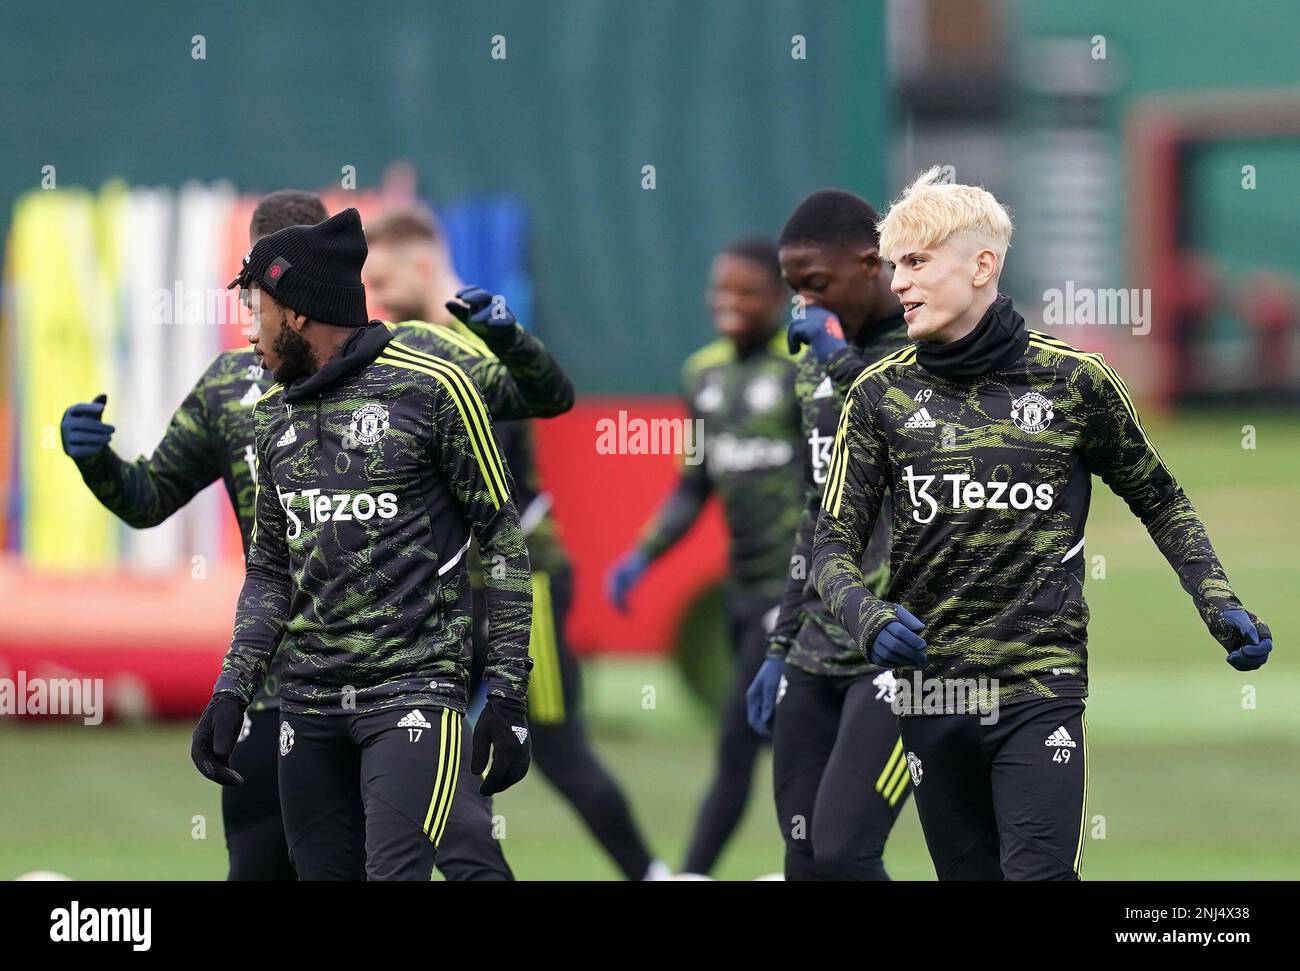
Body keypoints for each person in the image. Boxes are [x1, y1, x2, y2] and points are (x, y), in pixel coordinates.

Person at [61, 190, 574, 881]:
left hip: (409, 686)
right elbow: (157, 503)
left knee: (467, 858)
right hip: (287, 694)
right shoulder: (237, 394)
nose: (254, 303)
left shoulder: (420, 364)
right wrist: (97, 462)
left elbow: (539, 409)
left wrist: (510, 338)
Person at [812, 167, 1274, 880]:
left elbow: (1161, 497)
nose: (899, 283)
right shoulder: (878, 395)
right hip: (932, 693)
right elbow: (832, 546)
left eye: (917, 262)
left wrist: (1219, 602)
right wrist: (867, 617)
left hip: (1040, 685)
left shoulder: (1076, 381)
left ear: (982, 266)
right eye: (896, 265)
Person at [366, 204, 667, 880]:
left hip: (519, 582)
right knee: (421, 742)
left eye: (383, 283)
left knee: (555, 748)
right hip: (456, 590)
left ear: (421, 265)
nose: (377, 301)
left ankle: (654, 872)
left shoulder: (472, 348)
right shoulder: (415, 349)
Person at [606, 238, 800, 875]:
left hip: (799, 590)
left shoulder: (802, 371)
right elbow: (695, 485)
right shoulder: (704, 375)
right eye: (722, 289)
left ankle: (804, 861)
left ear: (779, 298)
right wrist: (643, 556)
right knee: (744, 744)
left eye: (747, 291)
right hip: (743, 591)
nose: (730, 302)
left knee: (768, 737)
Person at [744, 189, 913, 879]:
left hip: (901, 645)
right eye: (794, 290)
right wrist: (780, 644)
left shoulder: (927, 346)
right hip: (817, 647)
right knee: (807, 857)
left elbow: (918, 447)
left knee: (847, 846)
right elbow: (819, 509)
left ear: (871, 263)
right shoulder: (815, 361)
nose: (804, 306)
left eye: (817, 285)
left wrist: (842, 362)